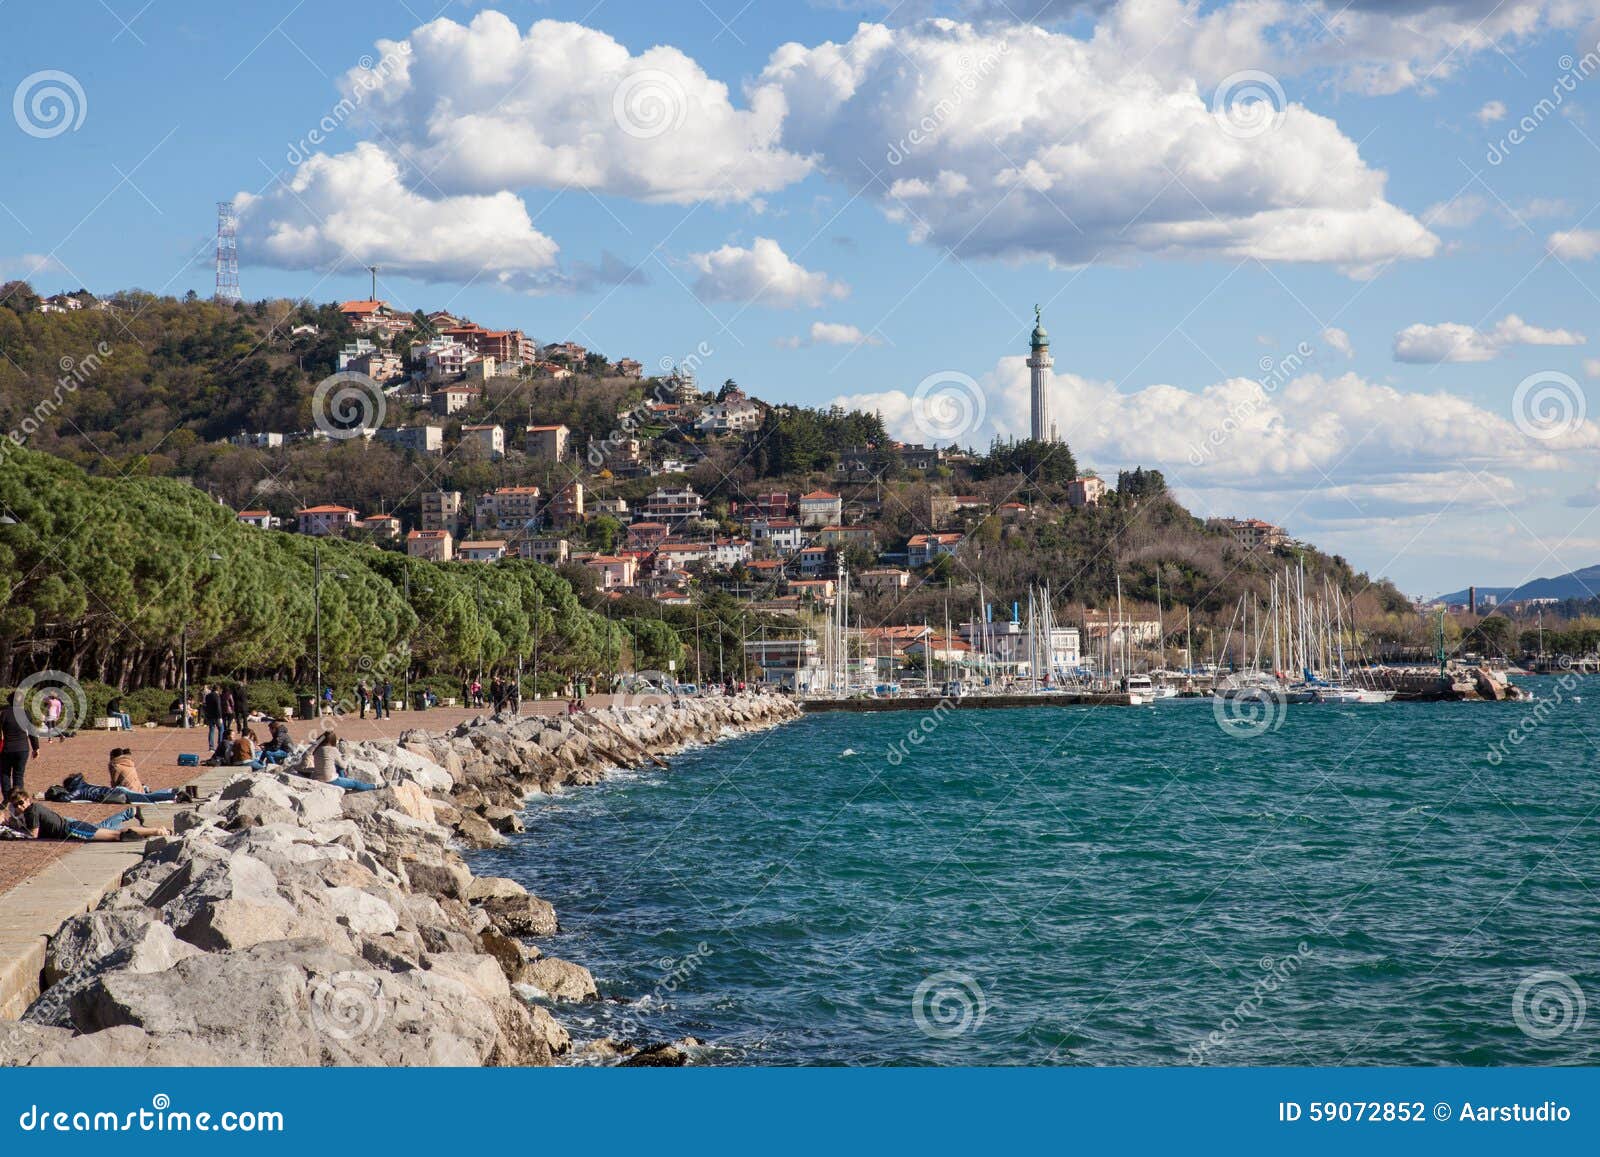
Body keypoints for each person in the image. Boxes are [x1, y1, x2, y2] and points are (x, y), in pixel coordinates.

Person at [5, 790, 170, 841]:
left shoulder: (31, 811)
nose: (19, 806)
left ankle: (157, 831)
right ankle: (154, 831)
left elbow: (33, 835)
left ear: (27, 800)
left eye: (21, 802)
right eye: (16, 804)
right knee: (114, 833)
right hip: (70, 827)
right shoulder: (33, 809)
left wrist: (13, 833)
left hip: (72, 830)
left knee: (116, 835)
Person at [295, 731, 378, 792]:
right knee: (355, 783)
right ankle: (375, 786)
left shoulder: (316, 749)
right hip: (329, 780)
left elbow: (307, 753)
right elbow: (343, 765)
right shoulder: (332, 750)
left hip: (316, 777)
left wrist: (317, 743)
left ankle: (344, 783)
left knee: (337, 766)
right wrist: (347, 758)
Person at [0, 695, 40, 796]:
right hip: (22, 748)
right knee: (18, 775)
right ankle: (17, 797)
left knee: (5, 774)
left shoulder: (4, 714)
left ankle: (7, 797)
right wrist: (36, 748)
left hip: (7, 748)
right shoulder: (25, 713)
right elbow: (32, 732)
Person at [201, 684, 223, 748]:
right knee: (221, 729)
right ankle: (220, 744)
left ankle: (211, 746)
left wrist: (207, 714)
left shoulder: (208, 696)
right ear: (218, 689)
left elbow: (206, 706)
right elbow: (218, 707)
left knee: (211, 730)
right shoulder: (217, 696)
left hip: (210, 715)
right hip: (217, 716)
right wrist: (220, 717)